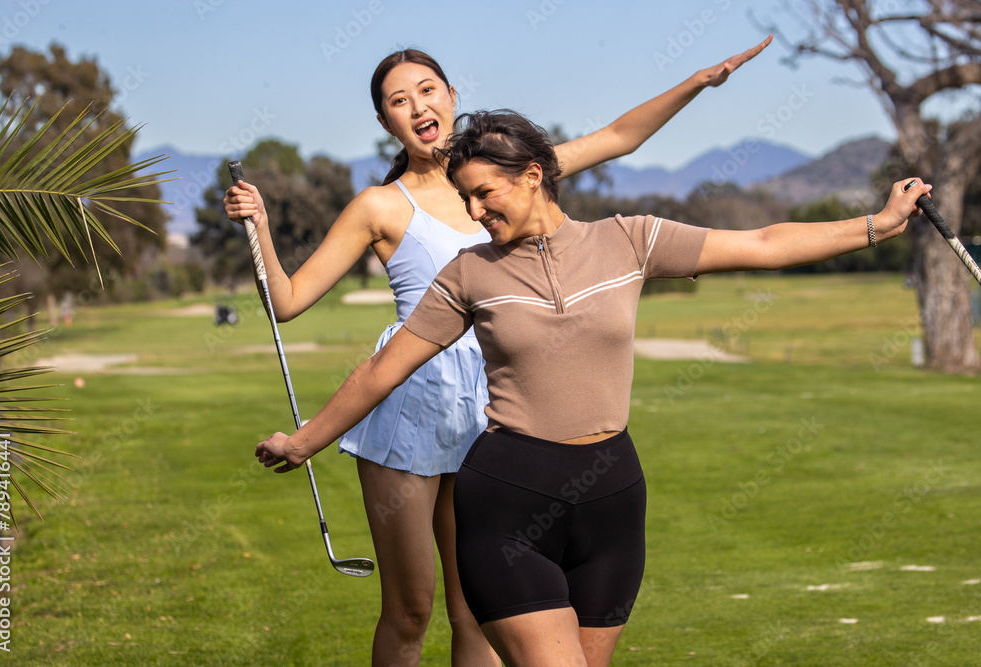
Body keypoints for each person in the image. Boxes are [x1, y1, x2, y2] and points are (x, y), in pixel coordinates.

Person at [251, 109, 930, 666]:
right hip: (510, 504)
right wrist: (305, 440)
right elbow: (383, 367)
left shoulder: (629, 241)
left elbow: (762, 242)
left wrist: (880, 225)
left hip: (612, 503)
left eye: (486, 191)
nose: (476, 209)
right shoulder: (468, 275)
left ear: (535, 175)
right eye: (466, 198)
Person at [226, 40, 771, 665]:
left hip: (500, 414)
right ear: (385, 124)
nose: (418, 107)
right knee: (412, 609)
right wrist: (261, 229)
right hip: (412, 407)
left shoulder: (509, 168)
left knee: (479, 613)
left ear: (452, 96)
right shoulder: (379, 205)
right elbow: (288, 300)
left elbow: (621, 135)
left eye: (428, 90)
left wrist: (697, 82)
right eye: (398, 101)